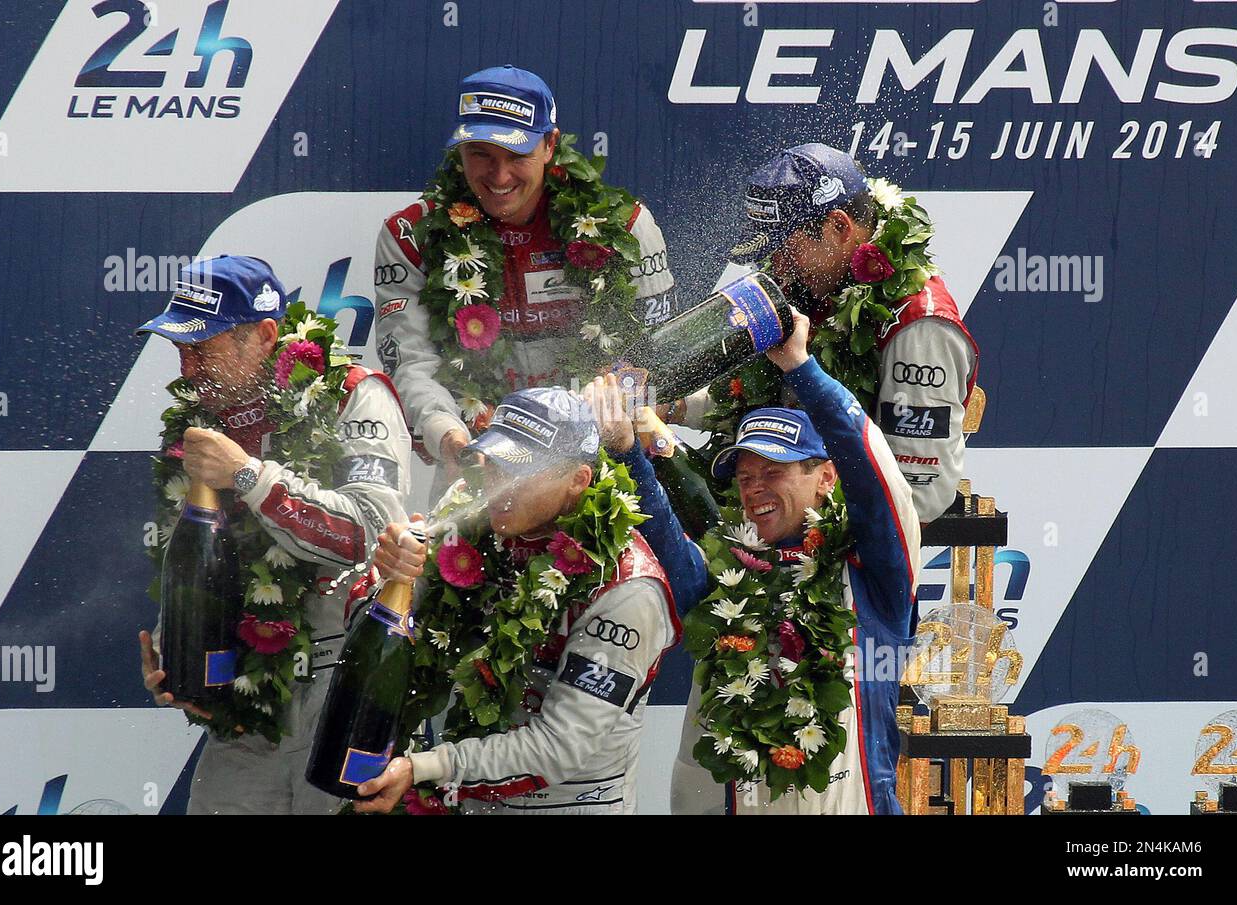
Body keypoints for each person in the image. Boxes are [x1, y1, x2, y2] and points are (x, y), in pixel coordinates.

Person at [585, 307, 920, 814]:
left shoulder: (873, 573)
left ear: (827, 477)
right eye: (744, 477)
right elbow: (666, 542)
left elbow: (873, 469)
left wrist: (800, 368)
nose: (755, 488)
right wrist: (628, 450)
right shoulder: (727, 574)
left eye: (774, 471)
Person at [135, 255, 411, 814]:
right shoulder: (199, 419)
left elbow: (368, 532)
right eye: (179, 349)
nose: (187, 369)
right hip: (246, 697)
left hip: (340, 686)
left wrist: (247, 475)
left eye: (201, 348)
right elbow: (195, 553)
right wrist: (178, 644)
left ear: (264, 337)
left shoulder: (351, 396)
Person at [355, 387, 680, 814]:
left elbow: (560, 749)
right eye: (495, 464)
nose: (499, 485)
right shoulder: (476, 529)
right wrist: (394, 576)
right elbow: (365, 632)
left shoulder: (626, 586)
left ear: (578, 480)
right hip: (467, 798)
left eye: (521, 470)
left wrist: (424, 768)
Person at [374, 65, 678, 479]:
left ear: (550, 144)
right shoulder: (412, 235)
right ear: (458, 151)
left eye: (516, 156)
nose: (498, 177)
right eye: (480, 154)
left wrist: (608, 420)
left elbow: (657, 353)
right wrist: (449, 436)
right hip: (480, 465)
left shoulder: (623, 227)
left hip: (607, 467)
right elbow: (411, 362)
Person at [683, 143, 978, 524]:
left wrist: (794, 518)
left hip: (854, 553)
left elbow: (918, 495)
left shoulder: (919, 325)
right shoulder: (813, 288)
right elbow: (756, 402)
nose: (778, 267)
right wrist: (672, 406)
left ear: (839, 227)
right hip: (789, 520)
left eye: (786, 248)